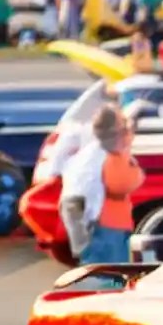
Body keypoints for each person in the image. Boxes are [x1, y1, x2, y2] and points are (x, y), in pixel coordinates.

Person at [60, 105, 145, 265]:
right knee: (110, 280)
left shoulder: (95, 154)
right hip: (105, 231)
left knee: (111, 278)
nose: (127, 131)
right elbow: (125, 183)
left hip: (107, 229)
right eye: (123, 125)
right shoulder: (105, 158)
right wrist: (83, 245)